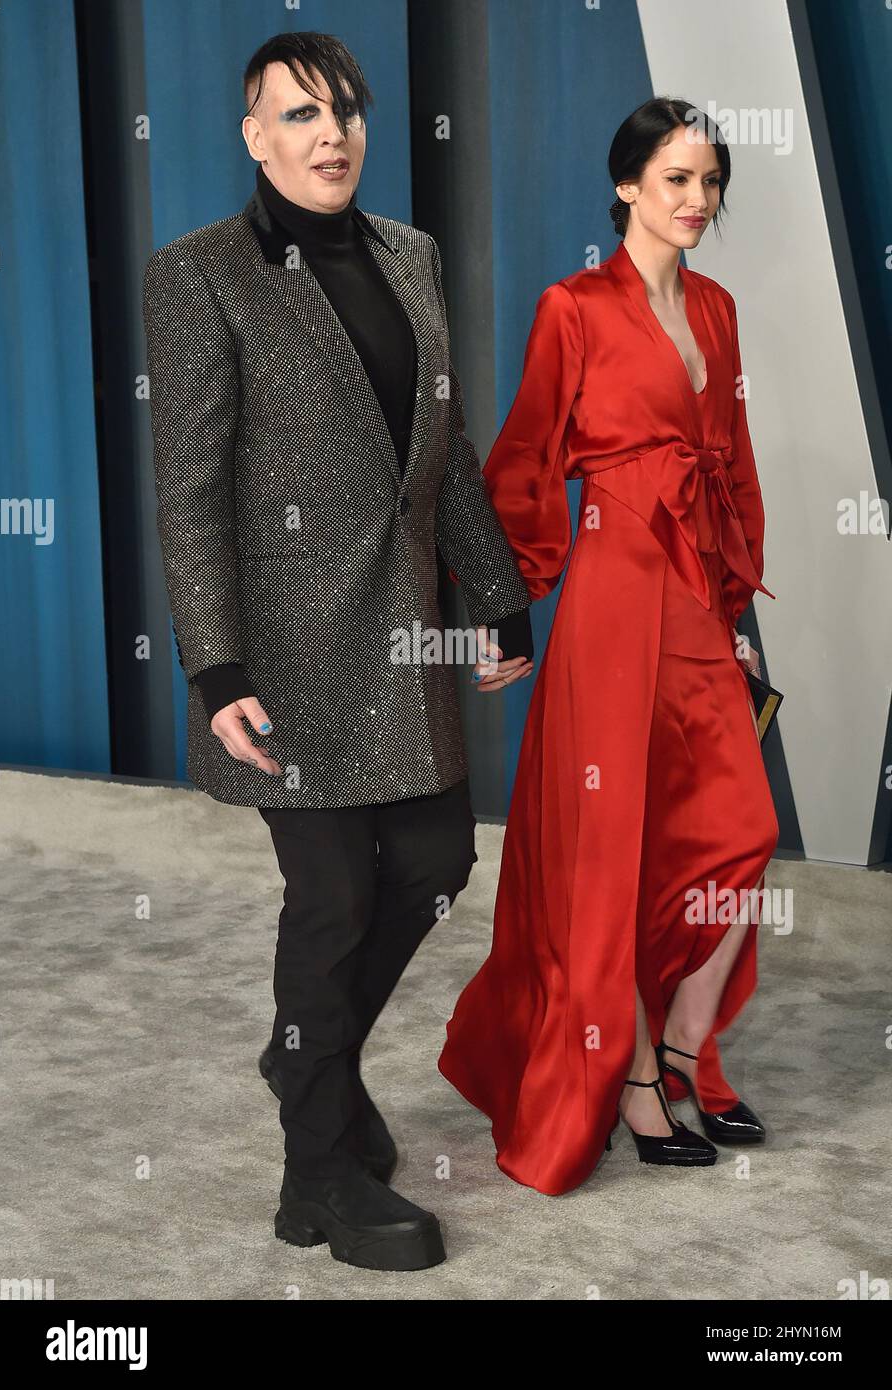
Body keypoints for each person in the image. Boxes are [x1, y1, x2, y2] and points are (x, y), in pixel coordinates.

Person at [142, 30, 534, 1269]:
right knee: (332, 898)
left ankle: (304, 1057)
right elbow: (191, 491)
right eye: (300, 115)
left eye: (346, 113)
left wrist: (496, 591)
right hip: (286, 655)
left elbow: (444, 443)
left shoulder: (406, 255)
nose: (332, 135)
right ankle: (316, 1175)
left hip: (406, 636)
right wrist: (217, 667)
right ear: (252, 134)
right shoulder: (199, 275)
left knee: (429, 862)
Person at [437, 98, 781, 1196]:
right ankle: (632, 1077)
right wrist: (506, 607)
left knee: (738, 832)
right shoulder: (572, 307)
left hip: (693, 602)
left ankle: (681, 1048)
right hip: (608, 594)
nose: (695, 201)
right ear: (625, 185)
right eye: (673, 179)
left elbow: (728, 469)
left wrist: (730, 608)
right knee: (612, 849)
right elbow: (527, 459)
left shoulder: (718, 311)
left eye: (708, 182)